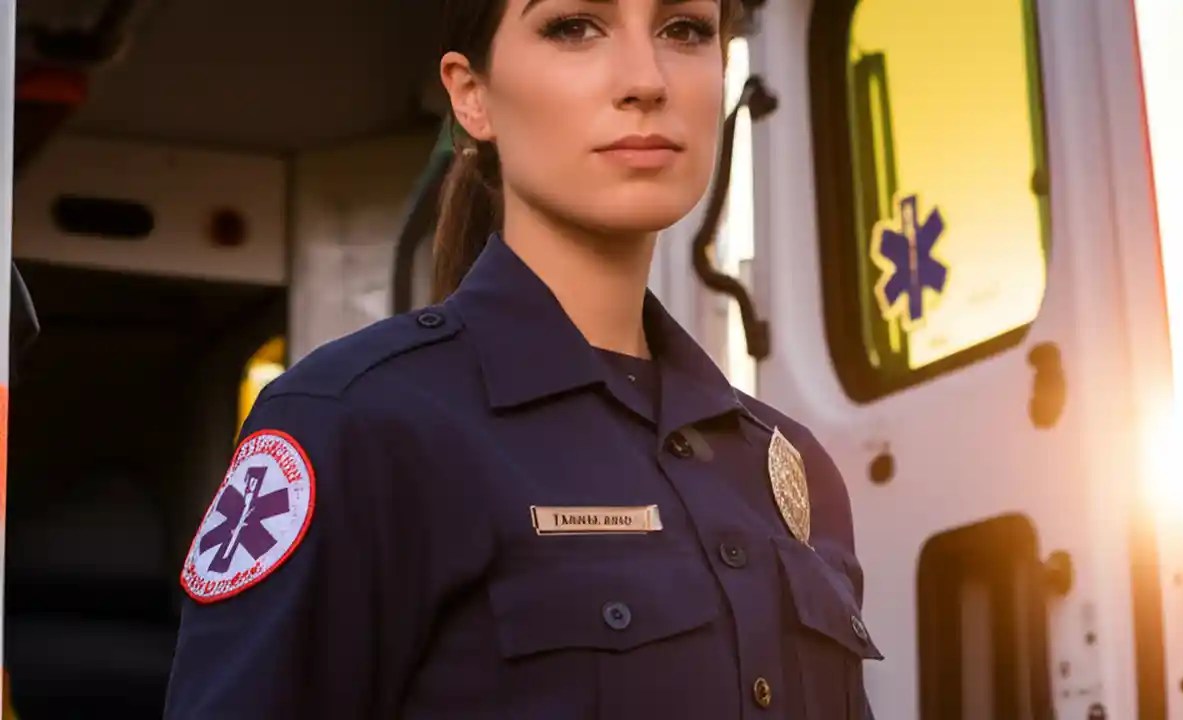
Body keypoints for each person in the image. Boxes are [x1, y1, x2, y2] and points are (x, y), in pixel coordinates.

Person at [164, 0, 882, 717]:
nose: (646, 79)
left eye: (685, 30)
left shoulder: (789, 466)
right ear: (472, 96)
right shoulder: (353, 422)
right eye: (574, 27)